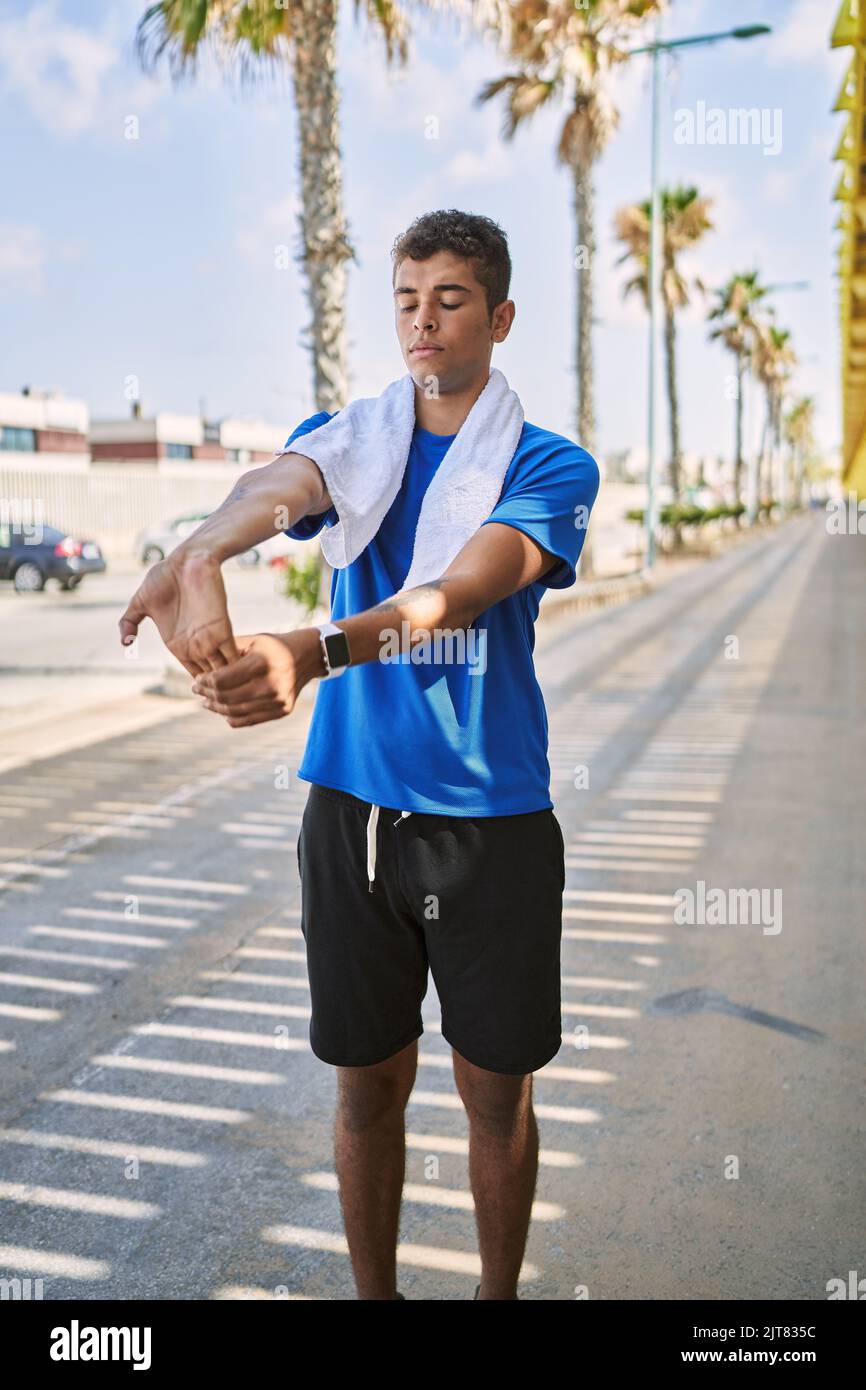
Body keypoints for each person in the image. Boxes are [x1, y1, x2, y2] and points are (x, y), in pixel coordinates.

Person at [119, 209, 599, 1300]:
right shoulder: (354, 435)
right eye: (405, 296)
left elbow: (458, 591)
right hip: (348, 818)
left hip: (489, 827)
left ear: (500, 315)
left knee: (494, 1095)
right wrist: (195, 552)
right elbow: (272, 489)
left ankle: (494, 1296)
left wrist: (311, 649)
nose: (422, 320)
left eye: (450, 297)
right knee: (364, 1087)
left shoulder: (549, 464)